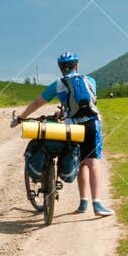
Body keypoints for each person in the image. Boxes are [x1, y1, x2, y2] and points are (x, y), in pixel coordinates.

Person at [13, 52, 112, 216]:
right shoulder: (90, 81)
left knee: (80, 162)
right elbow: (88, 103)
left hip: (72, 127)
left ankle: (83, 202)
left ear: (61, 68)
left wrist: (22, 117)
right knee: (93, 162)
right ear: (77, 65)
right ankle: (97, 204)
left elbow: (39, 102)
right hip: (91, 124)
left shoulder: (57, 84)